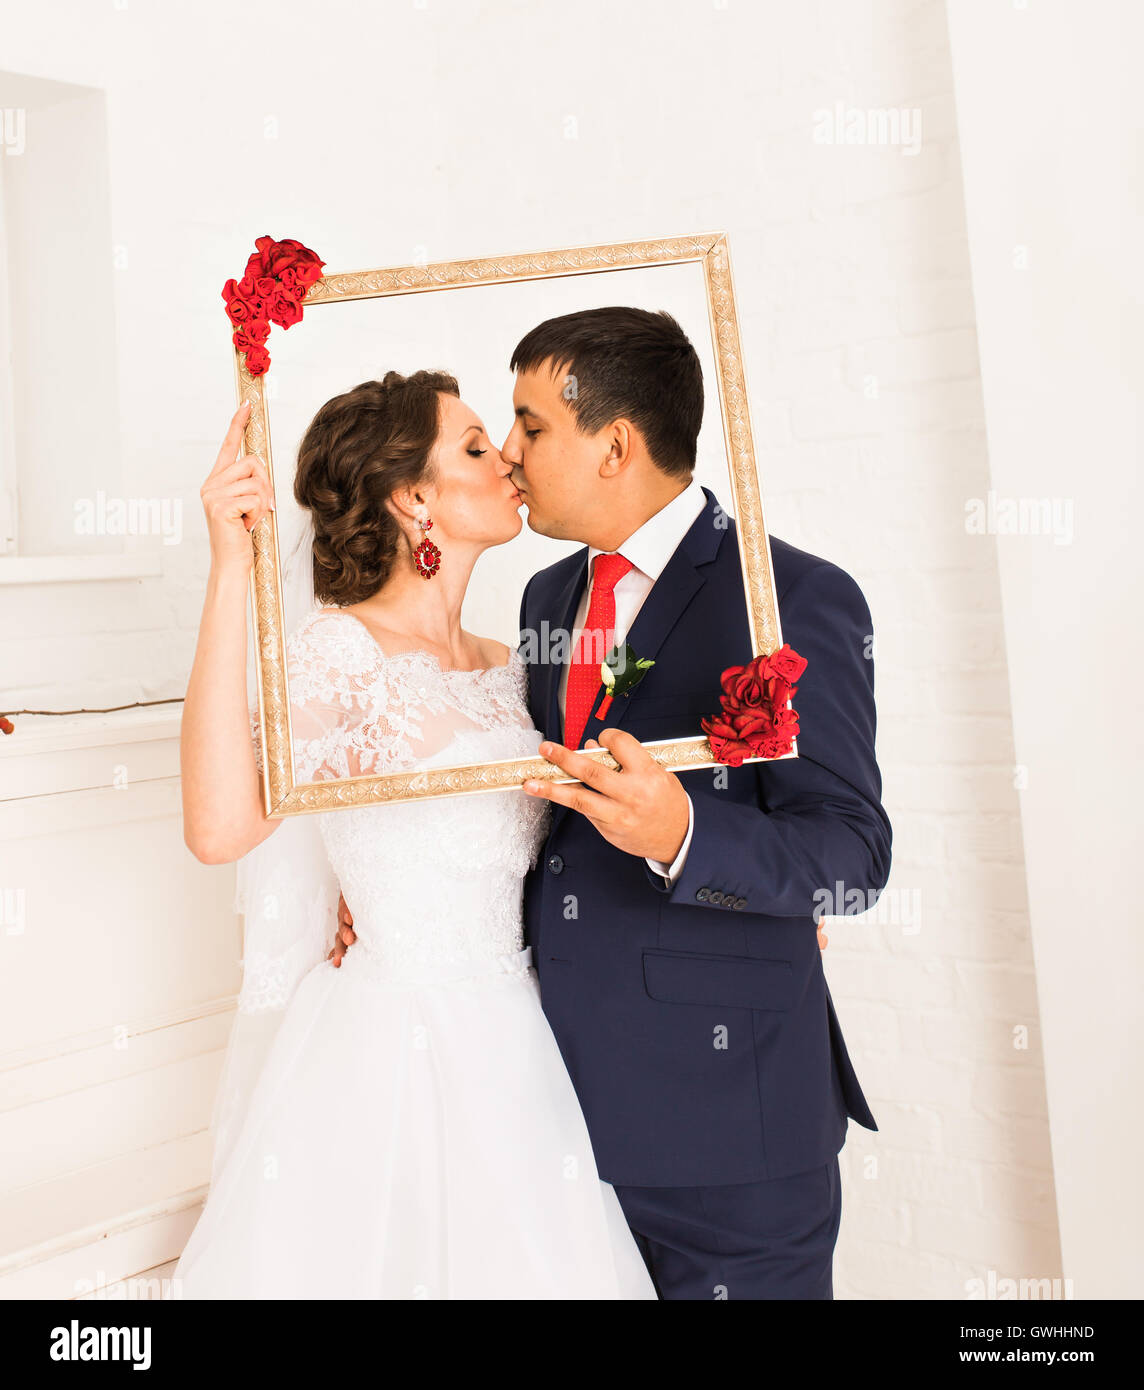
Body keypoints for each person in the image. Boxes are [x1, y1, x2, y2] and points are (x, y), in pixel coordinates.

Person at [333, 307, 892, 1300]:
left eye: (531, 424)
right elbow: (539, 812)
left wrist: (682, 833)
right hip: (551, 1122)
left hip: (734, 1133)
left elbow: (850, 856)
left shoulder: (789, 596)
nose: (508, 452)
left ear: (615, 446)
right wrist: (392, 880)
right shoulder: (547, 599)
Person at [174, 370, 657, 1299]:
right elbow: (218, 827)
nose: (509, 457)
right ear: (412, 498)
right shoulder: (339, 654)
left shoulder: (515, 666)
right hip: (390, 1049)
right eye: (477, 447)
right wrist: (230, 569)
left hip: (524, 1043)